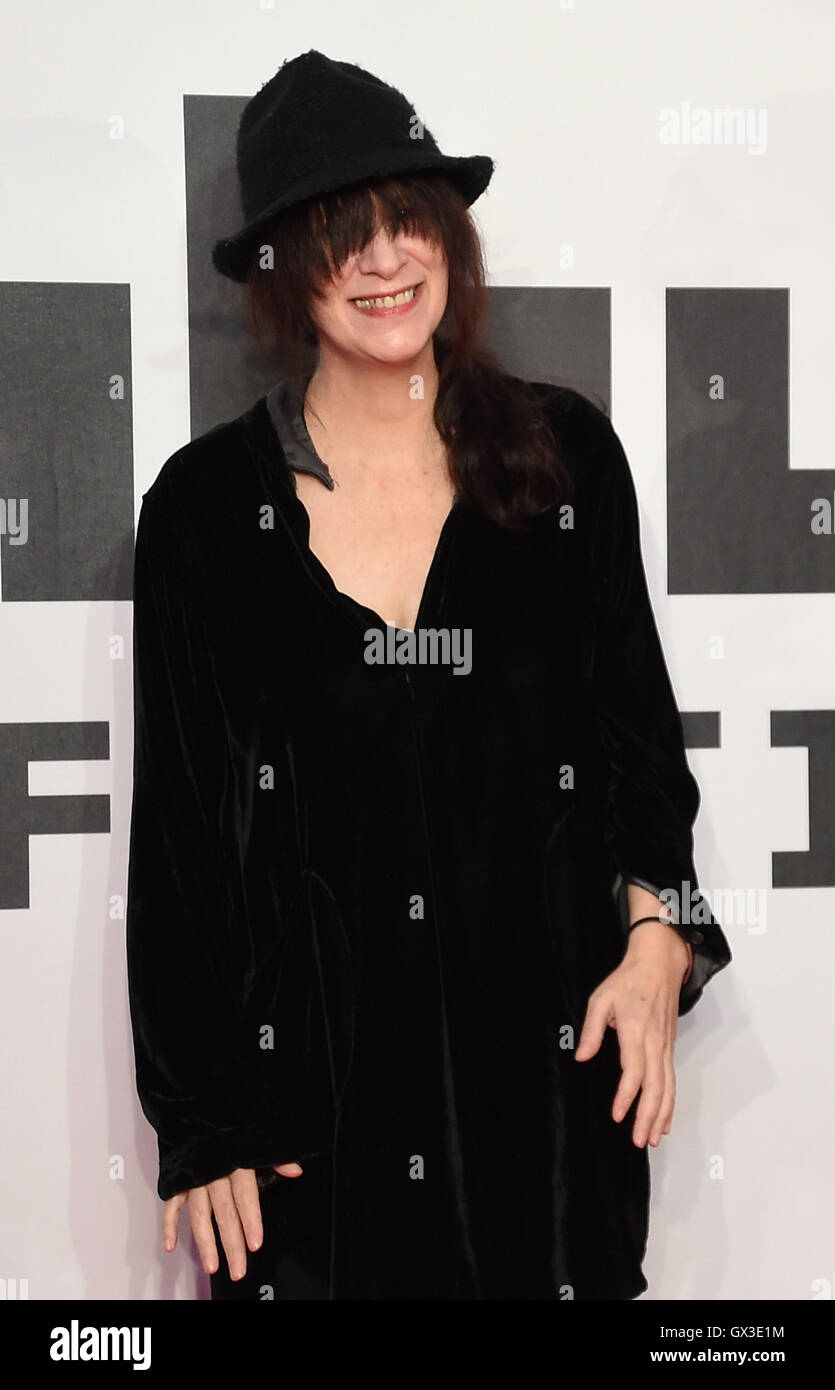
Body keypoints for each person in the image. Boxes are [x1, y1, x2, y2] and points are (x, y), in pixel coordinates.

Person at [126, 49, 731, 1301]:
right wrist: (202, 1116)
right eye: (341, 233)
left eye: (408, 219)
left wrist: (656, 943)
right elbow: (182, 841)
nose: (384, 260)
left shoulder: (563, 458)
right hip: (310, 1162)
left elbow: (639, 755)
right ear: (284, 271)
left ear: (450, 238)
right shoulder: (201, 514)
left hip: (546, 1142)